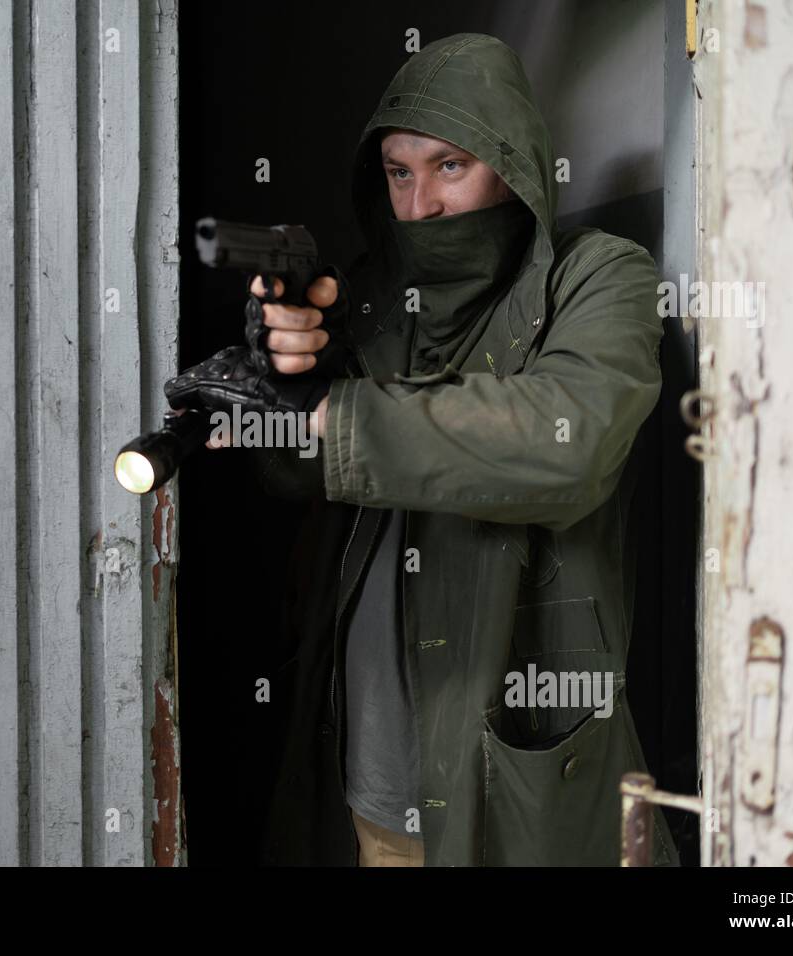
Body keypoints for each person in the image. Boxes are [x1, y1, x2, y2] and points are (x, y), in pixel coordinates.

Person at [168, 32, 679, 866]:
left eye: (450, 166)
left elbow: (569, 441)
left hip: (512, 784)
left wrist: (336, 409)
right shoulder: (368, 296)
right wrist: (280, 382)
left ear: (514, 166)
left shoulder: (597, 276)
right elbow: (298, 471)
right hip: (367, 774)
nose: (421, 206)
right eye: (399, 173)